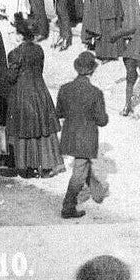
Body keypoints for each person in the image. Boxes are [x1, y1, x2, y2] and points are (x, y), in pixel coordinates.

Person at [5, 17, 61, 178]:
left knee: (24, 130)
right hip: (39, 90)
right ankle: (45, 164)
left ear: (20, 35)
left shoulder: (15, 53)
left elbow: (11, 77)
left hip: (23, 93)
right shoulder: (38, 50)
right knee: (42, 129)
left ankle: (27, 165)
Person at [56, 52, 109, 219]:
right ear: (92, 70)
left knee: (83, 165)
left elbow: (59, 112)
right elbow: (101, 120)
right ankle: (68, 206)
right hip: (86, 138)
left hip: (70, 135)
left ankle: (98, 193)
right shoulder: (95, 93)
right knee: (79, 172)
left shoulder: (64, 89)